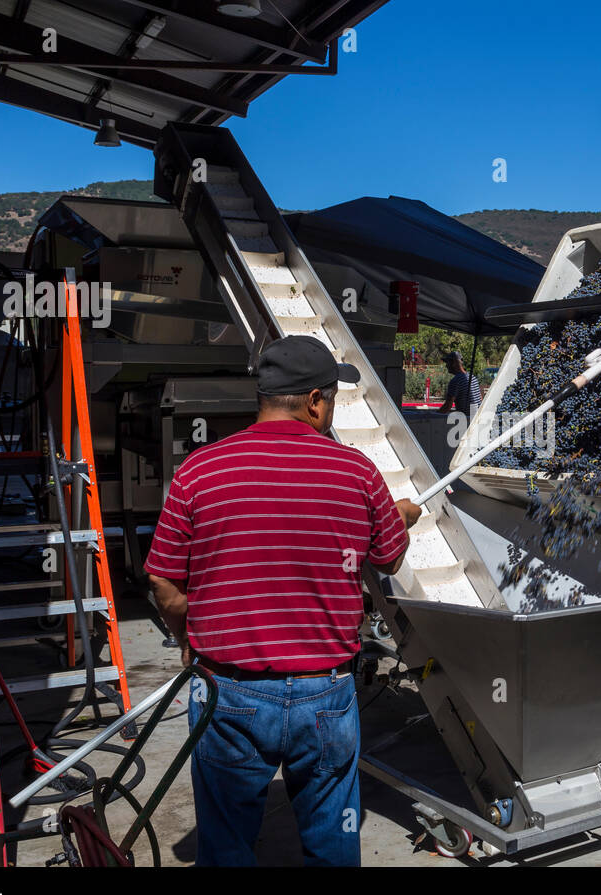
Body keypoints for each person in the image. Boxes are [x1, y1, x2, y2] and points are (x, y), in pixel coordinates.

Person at [145, 335, 421, 867]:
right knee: (332, 839)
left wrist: (187, 639)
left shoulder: (199, 471)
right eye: (332, 401)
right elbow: (387, 557)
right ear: (316, 401)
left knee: (226, 845)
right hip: (326, 693)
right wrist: (402, 516)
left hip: (228, 690)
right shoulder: (356, 472)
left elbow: (162, 582)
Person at [437, 349, 482, 422]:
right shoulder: (472, 377)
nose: (446, 365)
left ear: (454, 363)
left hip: (467, 422)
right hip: (478, 419)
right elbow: (480, 398)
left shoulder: (456, 381)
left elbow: (447, 407)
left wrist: (432, 415)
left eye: (447, 362)